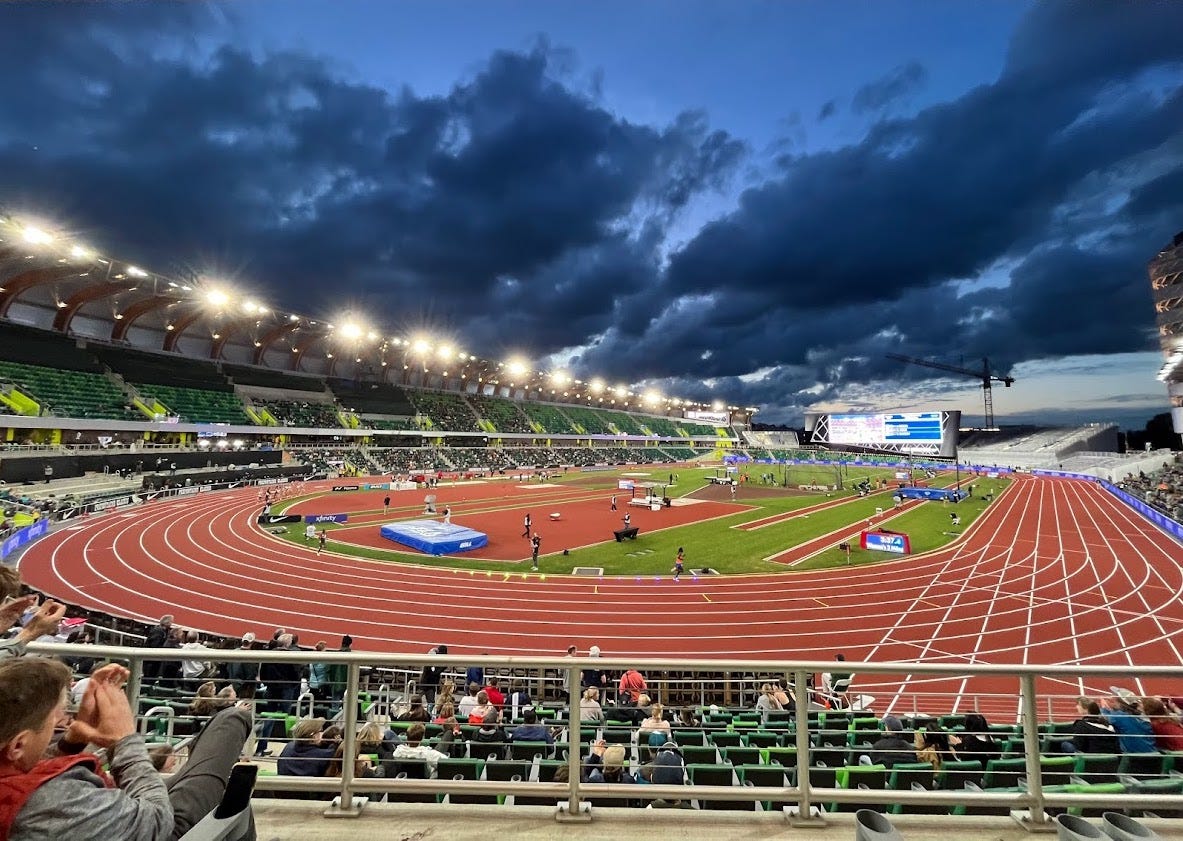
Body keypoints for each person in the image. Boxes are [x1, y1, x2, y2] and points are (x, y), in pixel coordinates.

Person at [0, 658, 253, 840]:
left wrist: (71, 742)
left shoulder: (16, 774)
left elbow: (25, 767)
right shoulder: (45, 804)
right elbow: (158, 821)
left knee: (215, 788)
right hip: (161, 826)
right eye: (56, 717)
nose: (65, 719)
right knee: (231, 721)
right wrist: (124, 740)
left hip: (112, 812)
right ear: (19, 744)